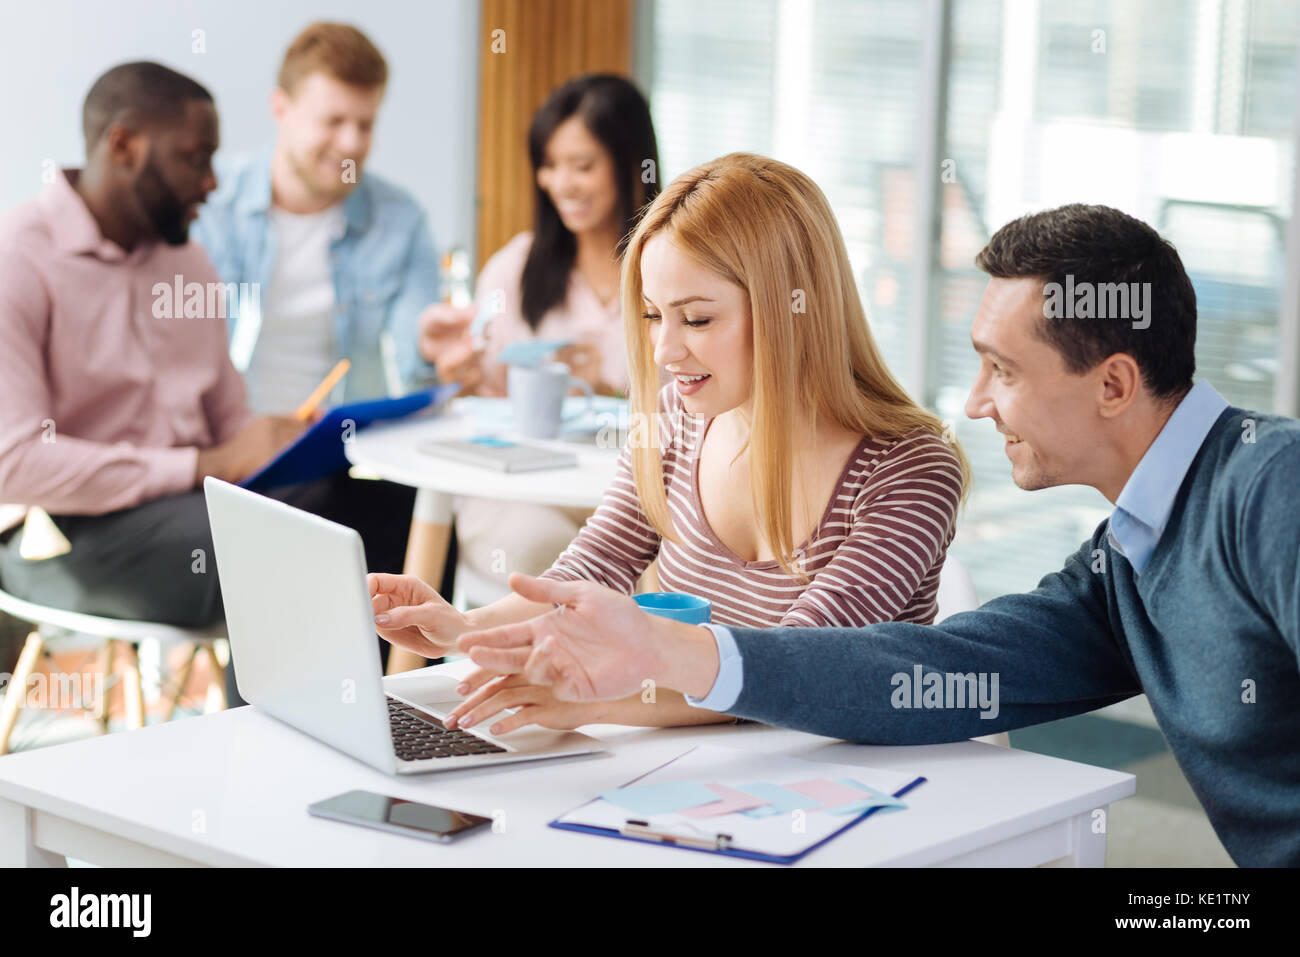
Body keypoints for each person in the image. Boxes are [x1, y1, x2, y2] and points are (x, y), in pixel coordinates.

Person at [448, 203, 1300, 868]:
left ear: (1113, 383)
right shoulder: (1127, 563)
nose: (975, 403)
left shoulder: (1273, 486)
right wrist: (670, 655)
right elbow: (929, 673)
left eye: (1002, 369)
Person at [369, 153, 969, 732]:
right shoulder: (674, 419)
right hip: (705, 770)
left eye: (698, 319)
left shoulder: (910, 469)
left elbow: (792, 667)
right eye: (655, 316)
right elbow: (595, 568)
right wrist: (465, 628)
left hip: (847, 787)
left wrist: (591, 702)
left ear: (793, 310)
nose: (664, 351)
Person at [0, 62, 409, 707]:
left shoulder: (189, 261)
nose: (212, 182)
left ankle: (392, 732)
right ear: (125, 146)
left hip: (199, 504)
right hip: (79, 534)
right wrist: (204, 464)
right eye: (195, 159)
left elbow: (226, 429)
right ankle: (266, 769)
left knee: (393, 517)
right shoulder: (20, 258)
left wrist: (275, 445)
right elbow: (13, 462)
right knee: (278, 549)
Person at [415, 74, 661, 601]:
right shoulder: (515, 270)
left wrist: (611, 390)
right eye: (549, 166)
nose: (561, 183)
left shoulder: (672, 272)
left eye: (583, 165)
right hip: (520, 493)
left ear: (633, 161)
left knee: (671, 560)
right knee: (542, 548)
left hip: (638, 496)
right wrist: (458, 371)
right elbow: (480, 396)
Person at [194, 21, 440, 410]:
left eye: (365, 124)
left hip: (339, 455)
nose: (351, 144)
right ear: (281, 109)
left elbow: (415, 364)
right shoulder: (205, 202)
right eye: (333, 121)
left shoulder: (401, 221)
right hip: (224, 455)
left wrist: (433, 353)